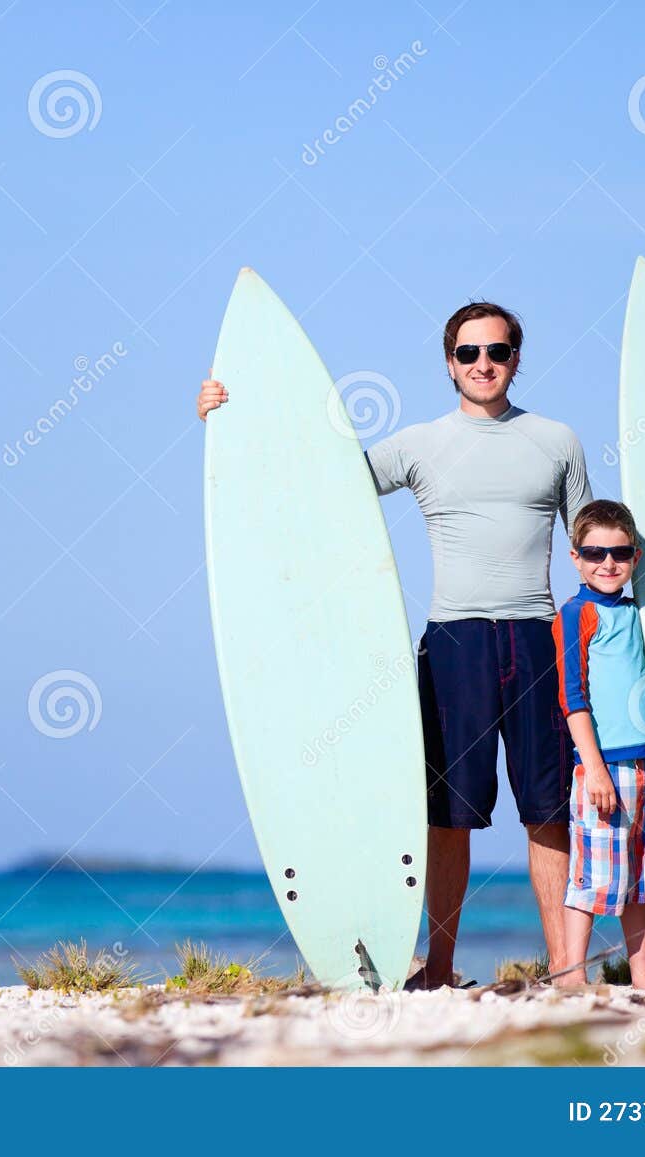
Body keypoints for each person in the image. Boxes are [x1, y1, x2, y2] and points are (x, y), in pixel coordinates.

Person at [198, 301, 593, 989]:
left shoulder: (557, 440)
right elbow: (322, 482)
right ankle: (439, 968)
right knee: (447, 818)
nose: (483, 365)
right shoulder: (419, 444)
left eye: (496, 351)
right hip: (453, 645)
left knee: (549, 811)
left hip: (537, 638)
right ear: (448, 363)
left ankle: (566, 971)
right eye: (468, 354)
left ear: (517, 358)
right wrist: (231, 417)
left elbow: (594, 543)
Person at [551, 499, 645, 989]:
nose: (607, 564)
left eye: (619, 553)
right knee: (594, 873)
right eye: (595, 553)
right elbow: (572, 698)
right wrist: (594, 769)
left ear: (635, 556)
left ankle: (641, 976)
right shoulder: (576, 614)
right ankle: (570, 975)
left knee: (638, 874)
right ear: (575, 557)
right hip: (603, 767)